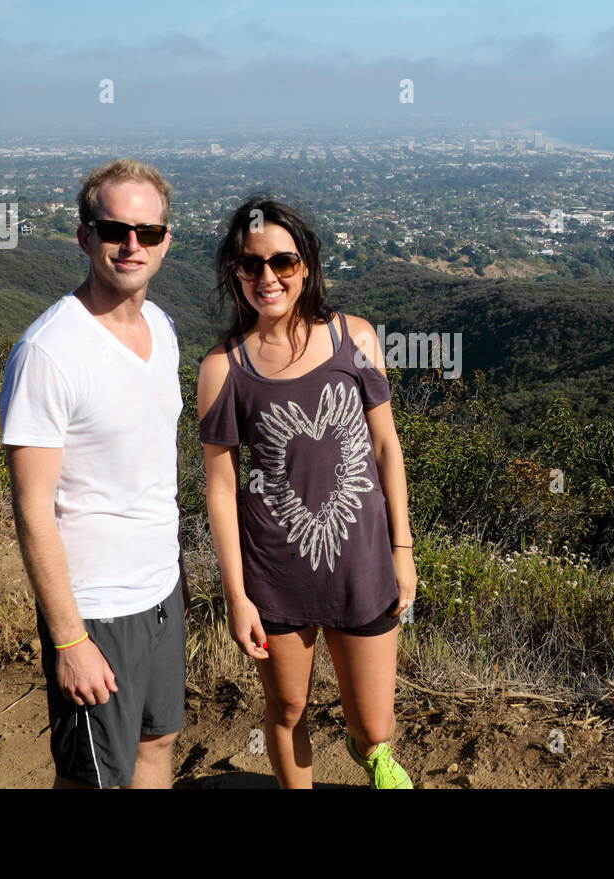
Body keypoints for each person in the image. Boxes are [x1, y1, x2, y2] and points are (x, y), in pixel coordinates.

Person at [197, 195, 416, 788]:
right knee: (288, 707)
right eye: (250, 264)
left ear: (307, 266)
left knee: (375, 724)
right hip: (275, 573)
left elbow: (388, 448)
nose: (267, 277)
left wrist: (404, 551)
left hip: (364, 564)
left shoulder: (357, 338)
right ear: (234, 272)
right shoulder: (224, 367)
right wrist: (236, 595)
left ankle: (368, 749)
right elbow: (221, 490)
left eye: (283, 262)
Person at [0, 157, 188, 789]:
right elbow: (31, 508)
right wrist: (68, 640)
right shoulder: (49, 352)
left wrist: (173, 576)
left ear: (166, 240)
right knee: (93, 779)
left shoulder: (162, 329)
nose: (132, 244)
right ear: (84, 236)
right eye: (114, 230)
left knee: (155, 745)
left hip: (160, 591)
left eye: (148, 232)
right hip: (97, 608)